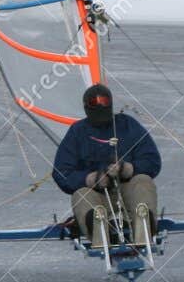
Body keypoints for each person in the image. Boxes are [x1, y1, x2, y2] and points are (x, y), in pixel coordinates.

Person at [52, 83, 161, 250]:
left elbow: (152, 161)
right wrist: (91, 179)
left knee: (143, 181)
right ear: (86, 109)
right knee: (81, 194)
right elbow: (61, 172)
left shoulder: (128, 126)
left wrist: (127, 169)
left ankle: (143, 225)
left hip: (126, 191)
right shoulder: (77, 132)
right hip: (98, 195)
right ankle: (99, 229)